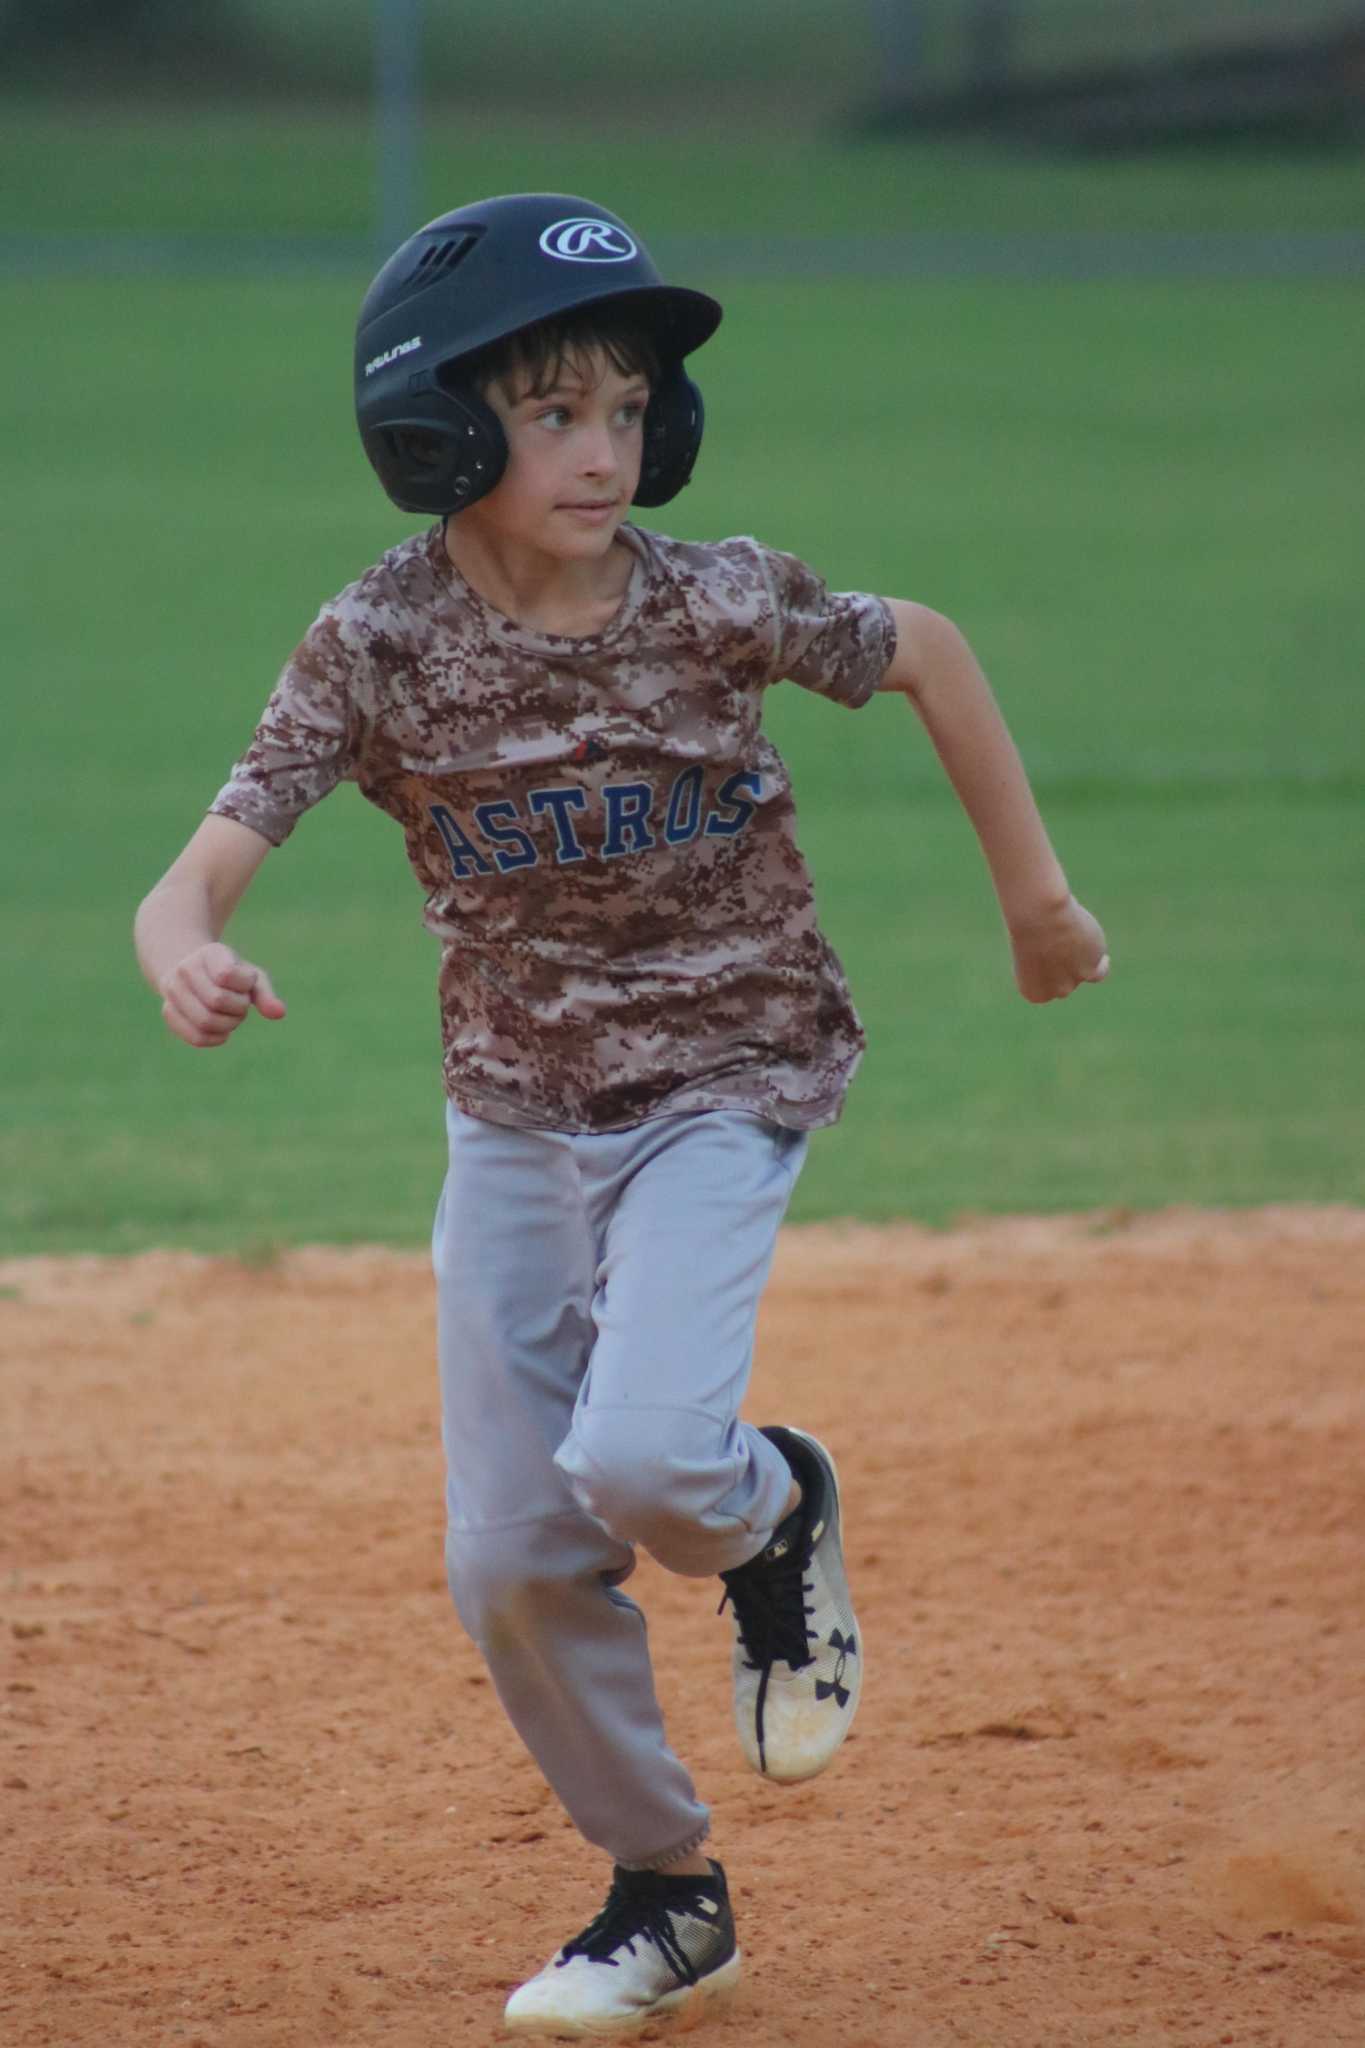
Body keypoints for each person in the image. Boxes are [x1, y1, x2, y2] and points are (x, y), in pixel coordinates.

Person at [133, 193, 1109, 2039]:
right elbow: (193, 873)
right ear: (438, 433)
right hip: (512, 1116)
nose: (609, 447)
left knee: (650, 1466)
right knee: (506, 1556)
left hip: (727, 1080)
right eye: (554, 410)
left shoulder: (714, 596)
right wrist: (182, 948)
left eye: (630, 404)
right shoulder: (376, 645)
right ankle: (666, 1889)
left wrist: (1035, 899)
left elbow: (927, 650)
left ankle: (767, 1513)